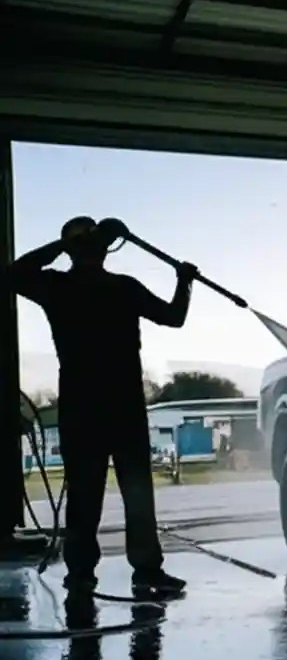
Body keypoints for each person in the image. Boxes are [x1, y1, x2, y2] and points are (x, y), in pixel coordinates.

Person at [11, 216, 197, 600]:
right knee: (117, 491)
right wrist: (184, 279)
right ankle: (136, 570)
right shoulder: (96, 287)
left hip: (90, 406)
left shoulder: (59, 287)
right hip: (117, 404)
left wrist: (184, 281)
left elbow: (15, 274)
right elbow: (174, 317)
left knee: (91, 493)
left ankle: (85, 575)